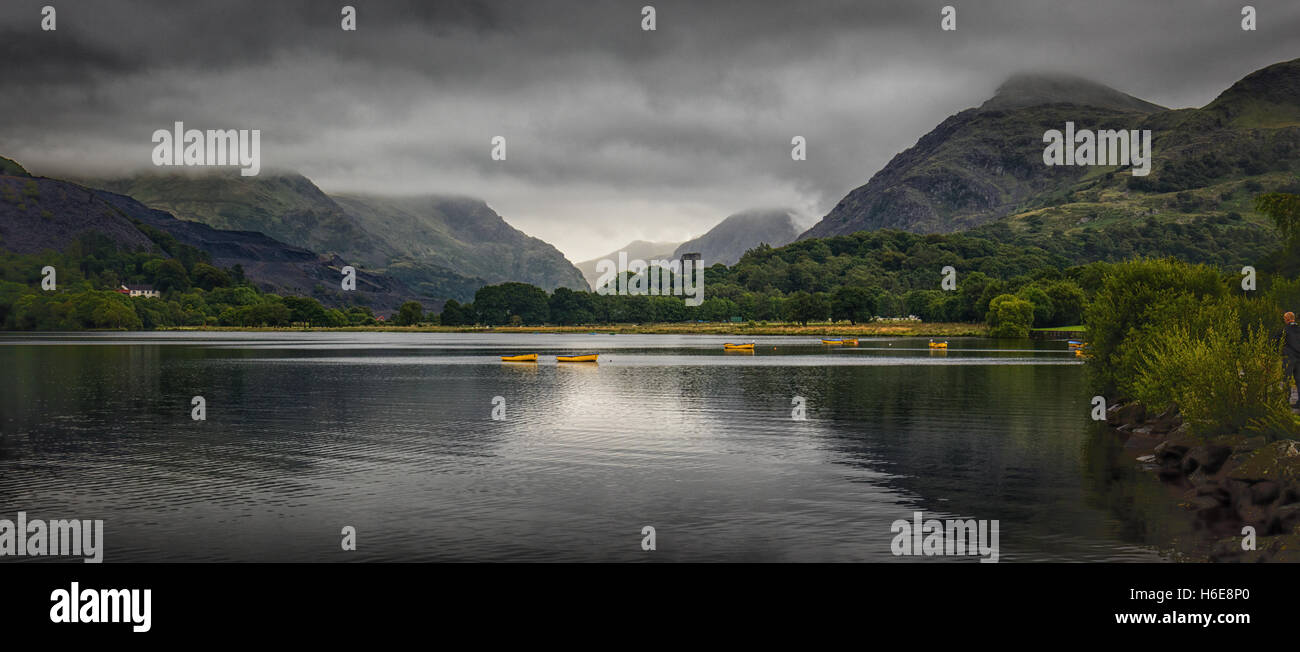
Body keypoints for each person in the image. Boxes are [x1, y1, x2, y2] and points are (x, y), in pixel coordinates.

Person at [1284, 312, 1300, 405]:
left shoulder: (1285, 330)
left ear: (1287, 319)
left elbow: (1276, 341)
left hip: (1289, 358)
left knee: (1287, 379)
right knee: (1299, 380)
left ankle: (1286, 401)